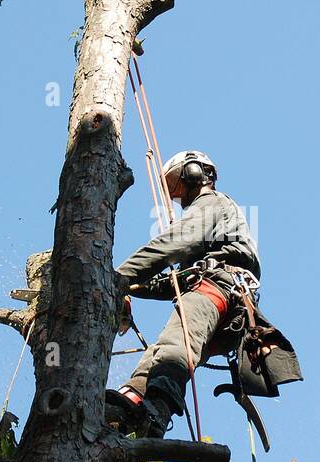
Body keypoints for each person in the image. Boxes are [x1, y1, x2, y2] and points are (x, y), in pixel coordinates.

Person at [105, 150, 263, 439]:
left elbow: (176, 243)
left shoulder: (213, 203)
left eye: (177, 184)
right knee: (159, 353)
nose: (178, 197)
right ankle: (128, 408)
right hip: (223, 309)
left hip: (220, 289)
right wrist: (127, 287)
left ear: (196, 173)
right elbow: (174, 283)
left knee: (175, 344)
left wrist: (115, 278)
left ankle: (158, 409)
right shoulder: (210, 250)